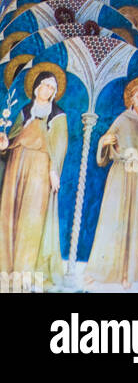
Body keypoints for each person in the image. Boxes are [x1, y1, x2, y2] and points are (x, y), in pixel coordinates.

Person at [86, 75, 138, 289]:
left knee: (136, 224)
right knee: (112, 222)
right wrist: (103, 143)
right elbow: (104, 149)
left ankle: (128, 274)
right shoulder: (122, 119)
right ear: (131, 99)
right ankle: (101, 271)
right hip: (120, 176)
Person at [0, 64, 67, 285]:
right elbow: (13, 139)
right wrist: (4, 144)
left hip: (39, 167)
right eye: (44, 85)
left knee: (32, 217)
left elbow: (59, 147)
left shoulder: (57, 116)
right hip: (16, 164)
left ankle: (25, 269)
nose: (46, 90)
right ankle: (6, 267)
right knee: (11, 212)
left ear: (54, 93)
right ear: (36, 87)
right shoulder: (24, 112)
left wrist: (53, 171)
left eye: (51, 87)